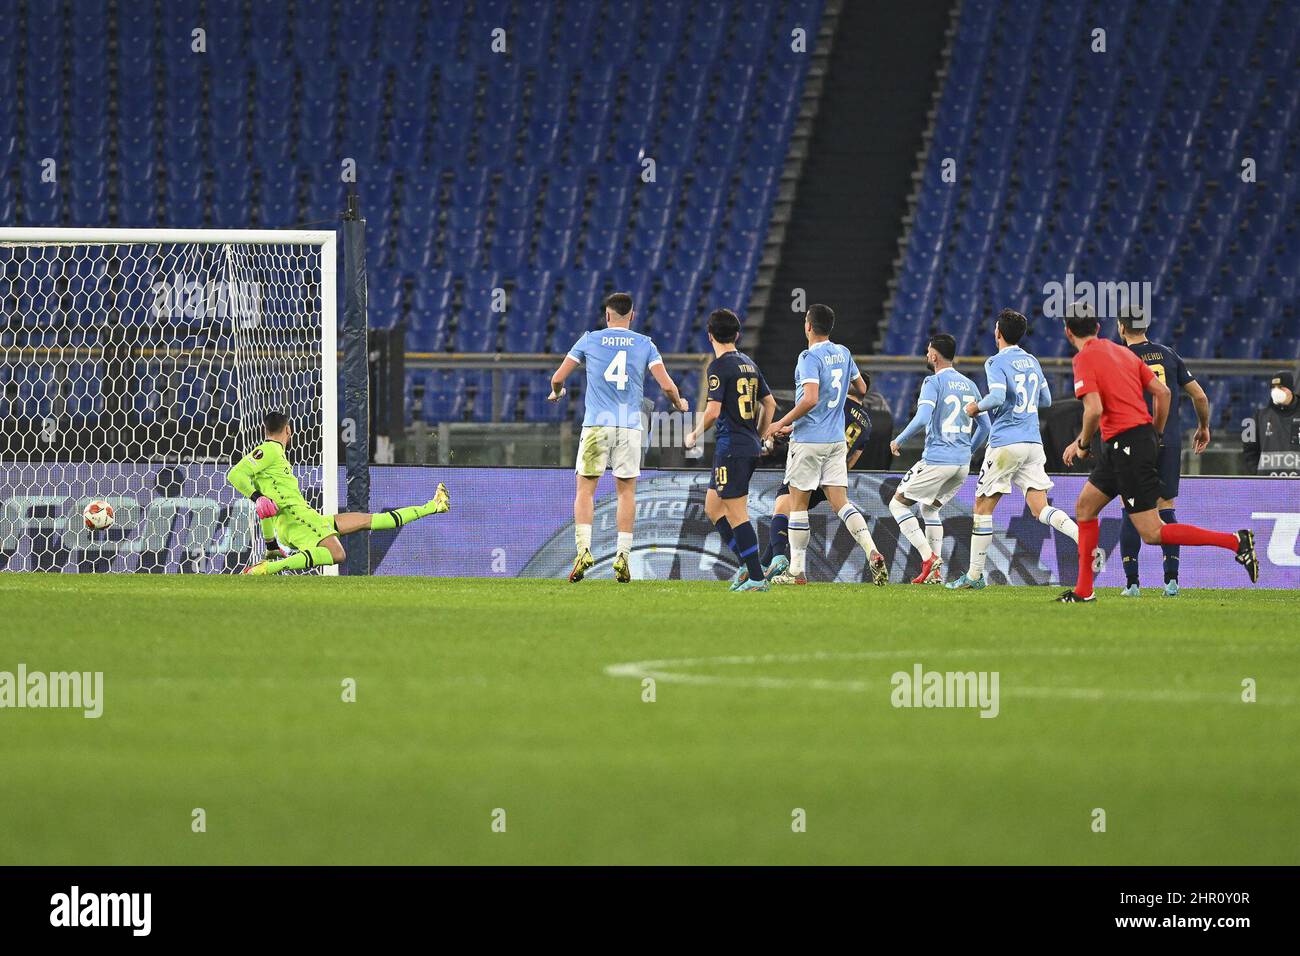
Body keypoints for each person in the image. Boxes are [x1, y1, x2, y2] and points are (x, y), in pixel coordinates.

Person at [1057, 303, 1258, 602]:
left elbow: (1094, 410)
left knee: (1152, 531)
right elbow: (1162, 393)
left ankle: (1235, 542)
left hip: (1127, 446)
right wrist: (1155, 433)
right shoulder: (1120, 352)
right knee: (1085, 507)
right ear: (1099, 328)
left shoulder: (1084, 359)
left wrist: (1084, 445)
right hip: (1124, 443)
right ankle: (1083, 591)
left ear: (1067, 331)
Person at [549, 292, 689, 583]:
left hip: (596, 426)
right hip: (630, 426)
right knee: (626, 492)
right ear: (632, 316)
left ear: (607, 315)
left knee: (585, 490)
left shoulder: (590, 339)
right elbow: (665, 384)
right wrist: (679, 403)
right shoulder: (645, 344)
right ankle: (623, 555)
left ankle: (583, 550)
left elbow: (558, 376)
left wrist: (558, 391)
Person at [947, 309, 1081, 591]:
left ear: (998, 333)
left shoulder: (996, 362)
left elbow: (995, 397)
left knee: (982, 508)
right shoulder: (1031, 361)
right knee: (1040, 507)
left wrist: (976, 407)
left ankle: (974, 575)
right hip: (1033, 442)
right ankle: (1083, 539)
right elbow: (1045, 399)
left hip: (1007, 443)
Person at [232, 411, 449, 575]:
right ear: (288, 430)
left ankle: (433, 506)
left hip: (305, 519)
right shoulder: (269, 451)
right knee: (338, 554)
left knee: (367, 520)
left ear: (265, 430)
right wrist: (256, 497)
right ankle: (268, 569)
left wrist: (271, 544)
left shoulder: (273, 461)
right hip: (298, 520)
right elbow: (235, 474)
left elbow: (266, 509)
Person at [761, 304, 883, 585]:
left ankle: (797, 572)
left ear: (808, 326)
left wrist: (780, 423)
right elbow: (861, 389)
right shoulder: (844, 353)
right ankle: (872, 551)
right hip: (835, 441)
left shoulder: (808, 357)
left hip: (808, 441)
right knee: (841, 504)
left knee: (797, 504)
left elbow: (810, 399)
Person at [1115, 305, 1212, 597]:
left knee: (1130, 508)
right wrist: (1203, 426)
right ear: (1146, 326)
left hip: (1134, 442)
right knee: (1165, 507)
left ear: (1121, 328)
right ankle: (1172, 581)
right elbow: (1200, 396)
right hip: (1168, 441)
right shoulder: (1169, 354)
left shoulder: (1119, 357)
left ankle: (1132, 584)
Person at [684, 308, 777, 592]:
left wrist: (695, 434)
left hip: (732, 448)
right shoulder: (749, 363)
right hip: (744, 445)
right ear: (737, 335)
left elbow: (712, 412)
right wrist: (758, 435)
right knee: (713, 508)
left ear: (709, 335)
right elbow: (770, 403)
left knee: (737, 514)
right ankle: (749, 567)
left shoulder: (720, 366)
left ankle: (757, 579)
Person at [757, 386, 887, 586]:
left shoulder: (838, 402)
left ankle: (792, 569)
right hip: (835, 463)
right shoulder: (867, 422)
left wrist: (786, 428)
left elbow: (816, 417)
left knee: (787, 507)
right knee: (842, 505)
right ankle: (872, 550)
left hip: (812, 452)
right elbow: (852, 461)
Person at [889, 333, 991, 585]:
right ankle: (934, 575)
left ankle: (928, 557)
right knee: (930, 508)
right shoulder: (970, 385)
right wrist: (967, 451)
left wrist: (899, 440)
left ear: (934, 356)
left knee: (898, 505)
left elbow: (923, 418)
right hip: (961, 465)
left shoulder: (932, 382)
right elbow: (985, 427)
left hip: (937, 459)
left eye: (927, 351)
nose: (926, 355)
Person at [1242, 371, 1300, 477]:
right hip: (1267, 485)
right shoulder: (1258, 417)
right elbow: (1249, 451)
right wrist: (1257, 474)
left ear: (1290, 389)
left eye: (1281, 387)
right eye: (1273, 387)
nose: (1276, 391)